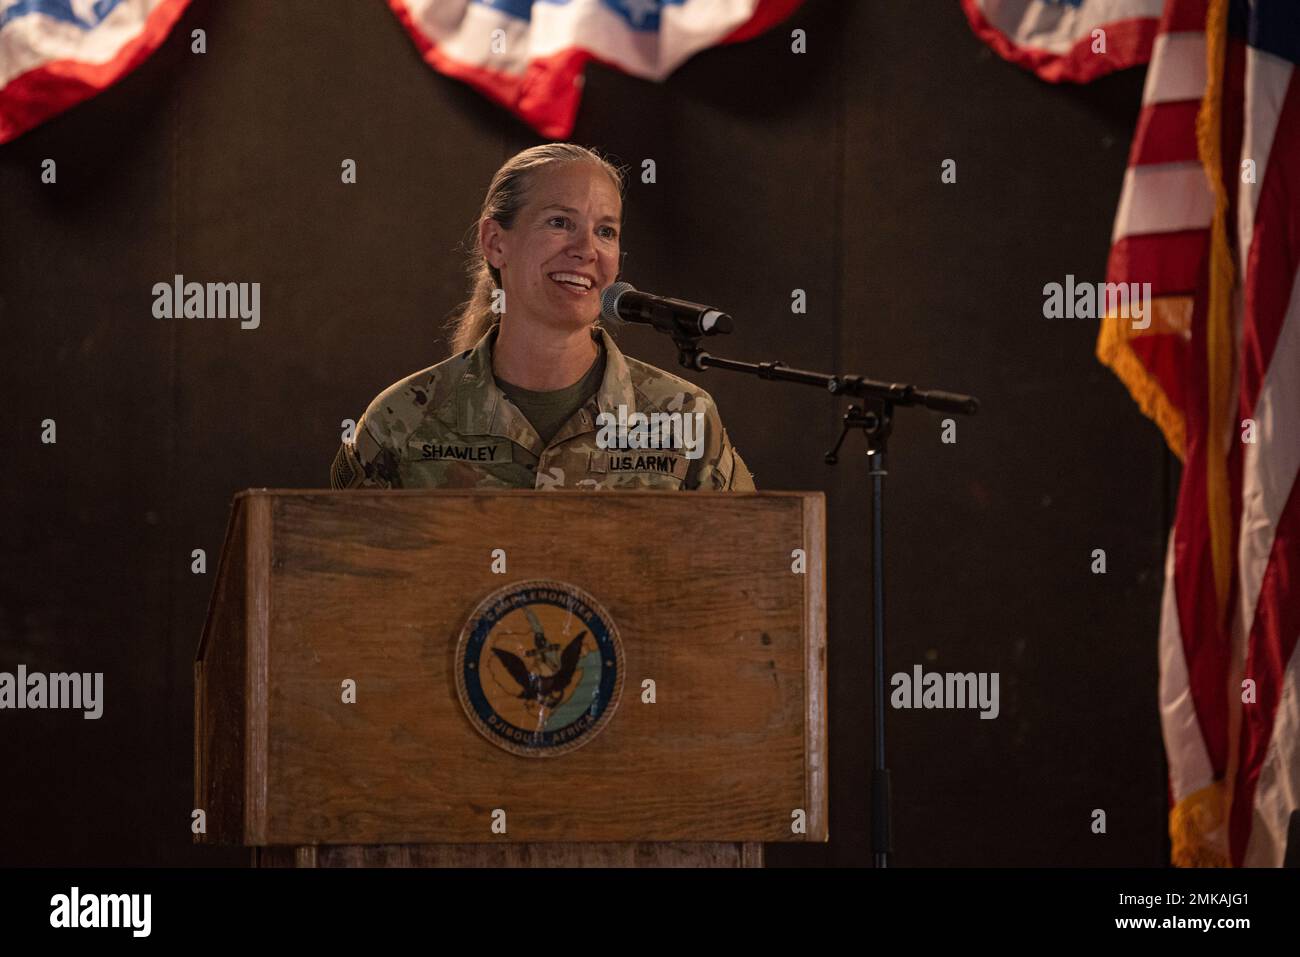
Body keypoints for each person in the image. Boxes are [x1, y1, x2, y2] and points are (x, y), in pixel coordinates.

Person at [330, 143, 755, 492]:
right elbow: (338, 580)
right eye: (560, 222)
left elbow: (744, 572)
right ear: (495, 242)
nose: (587, 249)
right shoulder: (400, 419)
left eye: (605, 231)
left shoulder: (683, 417)